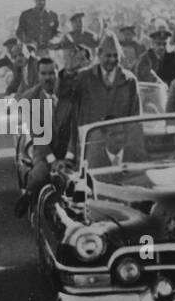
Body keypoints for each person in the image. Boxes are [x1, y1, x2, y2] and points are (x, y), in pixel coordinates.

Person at [13, 57, 77, 217]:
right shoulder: (29, 99)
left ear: (57, 73)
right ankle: (28, 196)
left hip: (69, 149)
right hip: (44, 150)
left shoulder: (71, 93)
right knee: (40, 174)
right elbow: (38, 134)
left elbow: (75, 128)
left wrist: (69, 157)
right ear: (38, 75)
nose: (48, 77)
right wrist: (53, 161)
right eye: (43, 73)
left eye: (51, 73)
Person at [72, 36, 140, 126]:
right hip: (92, 138)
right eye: (108, 56)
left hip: (119, 138)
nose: (112, 60)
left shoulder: (129, 81)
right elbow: (73, 114)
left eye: (115, 56)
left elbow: (136, 118)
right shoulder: (84, 78)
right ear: (99, 54)